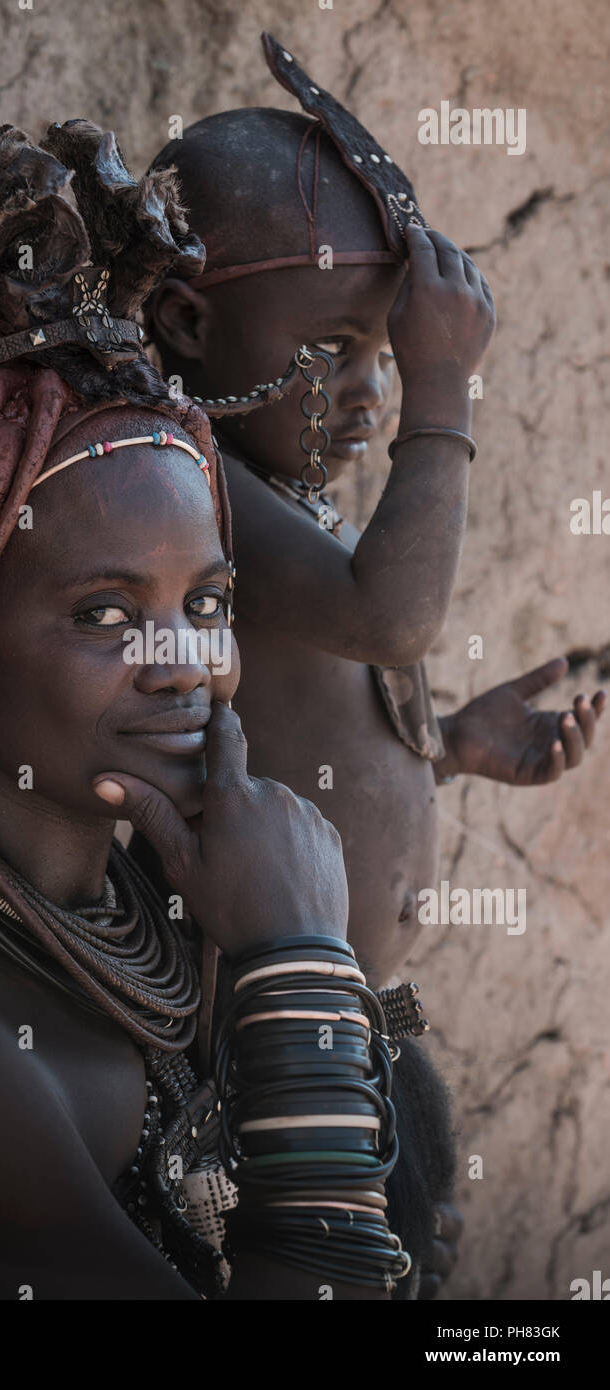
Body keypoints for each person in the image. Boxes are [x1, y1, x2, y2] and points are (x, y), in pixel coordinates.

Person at [0, 118, 409, 1300]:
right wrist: (298, 962)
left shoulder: (160, 885)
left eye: (208, 602)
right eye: (105, 615)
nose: (187, 662)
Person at [144, 33, 604, 1297]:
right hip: (254, 1044)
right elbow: (386, 615)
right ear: (187, 320)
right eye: (337, 348)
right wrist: (444, 389)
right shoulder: (202, 486)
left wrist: (446, 742)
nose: (367, 391)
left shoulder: (287, 490)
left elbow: (330, 706)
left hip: (342, 1018)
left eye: (385, 358)